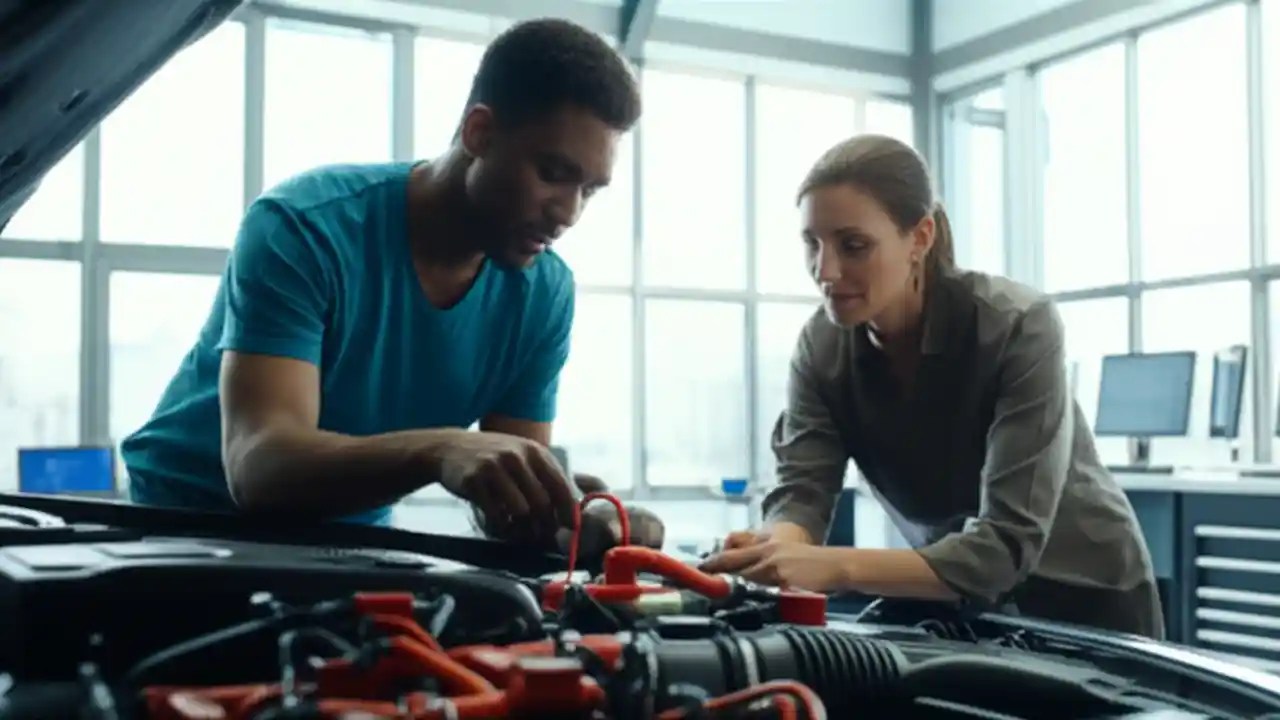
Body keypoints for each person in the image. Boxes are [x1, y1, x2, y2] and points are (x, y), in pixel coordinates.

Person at [120, 18, 643, 547]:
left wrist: (576, 521)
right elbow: (257, 469)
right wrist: (439, 451)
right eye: (553, 173)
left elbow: (504, 503)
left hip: (349, 542)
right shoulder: (305, 224)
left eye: (590, 190)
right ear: (479, 133)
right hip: (185, 526)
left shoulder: (545, 294)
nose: (569, 212)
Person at [700, 134, 1164, 639]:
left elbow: (1004, 546)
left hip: (1089, 604)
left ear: (919, 238)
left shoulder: (1018, 325)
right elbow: (803, 492)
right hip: (965, 604)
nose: (825, 271)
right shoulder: (821, 345)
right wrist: (776, 548)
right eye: (812, 244)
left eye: (853, 246)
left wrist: (828, 565)